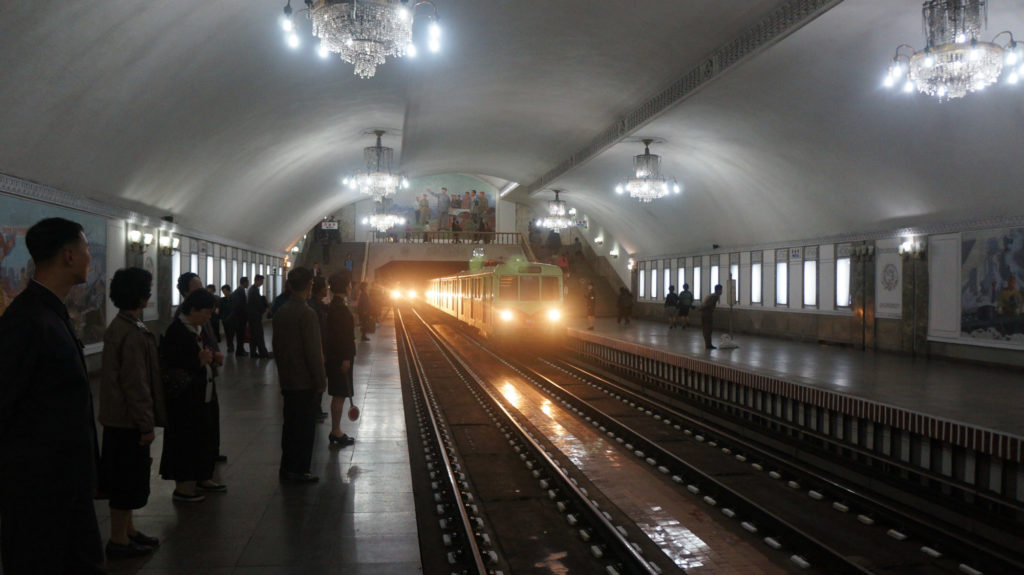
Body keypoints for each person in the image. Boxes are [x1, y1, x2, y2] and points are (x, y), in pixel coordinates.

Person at [0, 218, 105, 574]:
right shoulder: (29, 320)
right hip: (39, 490)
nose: (91, 257)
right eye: (87, 249)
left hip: (63, 483)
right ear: (69, 256)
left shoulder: (48, 312)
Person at [99, 267, 164, 558]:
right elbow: (135, 383)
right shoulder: (131, 333)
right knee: (125, 481)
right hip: (127, 421)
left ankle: (128, 530)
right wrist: (146, 424)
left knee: (128, 477)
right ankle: (118, 539)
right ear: (142, 295)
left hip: (120, 418)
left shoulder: (123, 326)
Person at [159, 289, 226, 501]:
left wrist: (210, 358)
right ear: (193, 309)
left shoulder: (194, 329)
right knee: (185, 442)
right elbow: (173, 365)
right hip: (185, 399)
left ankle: (202, 476)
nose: (209, 317)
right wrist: (200, 361)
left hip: (202, 395)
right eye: (206, 313)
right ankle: (184, 488)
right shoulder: (177, 331)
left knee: (202, 438)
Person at [272, 267, 327, 483]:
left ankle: (287, 467)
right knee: (304, 428)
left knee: (290, 426)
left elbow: (276, 346)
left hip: (288, 378)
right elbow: (313, 351)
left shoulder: (281, 312)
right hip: (305, 381)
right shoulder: (307, 313)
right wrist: (321, 381)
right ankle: (300, 469)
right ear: (309, 286)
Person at [325, 272, 357, 448]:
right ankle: (336, 431)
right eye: (350, 284)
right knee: (339, 394)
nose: (351, 287)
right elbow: (342, 336)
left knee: (339, 395)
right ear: (345, 287)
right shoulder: (340, 309)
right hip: (340, 359)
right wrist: (345, 358)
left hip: (336, 357)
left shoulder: (335, 306)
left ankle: (336, 430)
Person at [308, 276, 330, 422]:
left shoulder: (317, 304)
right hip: (318, 348)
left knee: (320, 381)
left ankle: (317, 409)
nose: (327, 289)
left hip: (320, 347)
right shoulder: (313, 306)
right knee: (317, 381)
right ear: (321, 289)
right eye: (325, 287)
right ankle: (314, 411)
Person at [247, 274, 270, 358]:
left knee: (254, 336)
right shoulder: (254, 291)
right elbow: (258, 304)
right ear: (257, 280)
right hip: (255, 317)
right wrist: (264, 309)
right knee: (258, 335)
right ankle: (263, 353)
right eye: (262, 281)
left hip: (252, 317)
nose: (262, 283)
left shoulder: (252, 290)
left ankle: (253, 353)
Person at [230, 277, 249, 356]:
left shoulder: (238, 291)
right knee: (240, 335)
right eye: (247, 282)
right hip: (240, 318)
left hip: (238, 317)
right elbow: (240, 306)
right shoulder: (240, 291)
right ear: (244, 283)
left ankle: (240, 350)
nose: (248, 284)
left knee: (240, 335)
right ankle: (239, 351)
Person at [701, 284, 723, 350]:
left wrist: (700, 309)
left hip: (704, 314)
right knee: (708, 329)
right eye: (721, 290)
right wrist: (700, 309)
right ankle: (708, 344)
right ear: (718, 290)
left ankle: (707, 344)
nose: (722, 292)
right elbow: (709, 305)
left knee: (706, 329)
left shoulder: (711, 295)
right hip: (707, 314)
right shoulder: (715, 296)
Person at [220, 284, 235, 352]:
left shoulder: (233, 299)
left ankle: (230, 346)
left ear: (229, 291)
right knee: (227, 334)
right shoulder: (222, 300)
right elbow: (221, 309)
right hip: (225, 320)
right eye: (223, 292)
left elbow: (234, 309)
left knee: (231, 334)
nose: (224, 293)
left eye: (225, 291)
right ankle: (229, 346)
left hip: (232, 320)